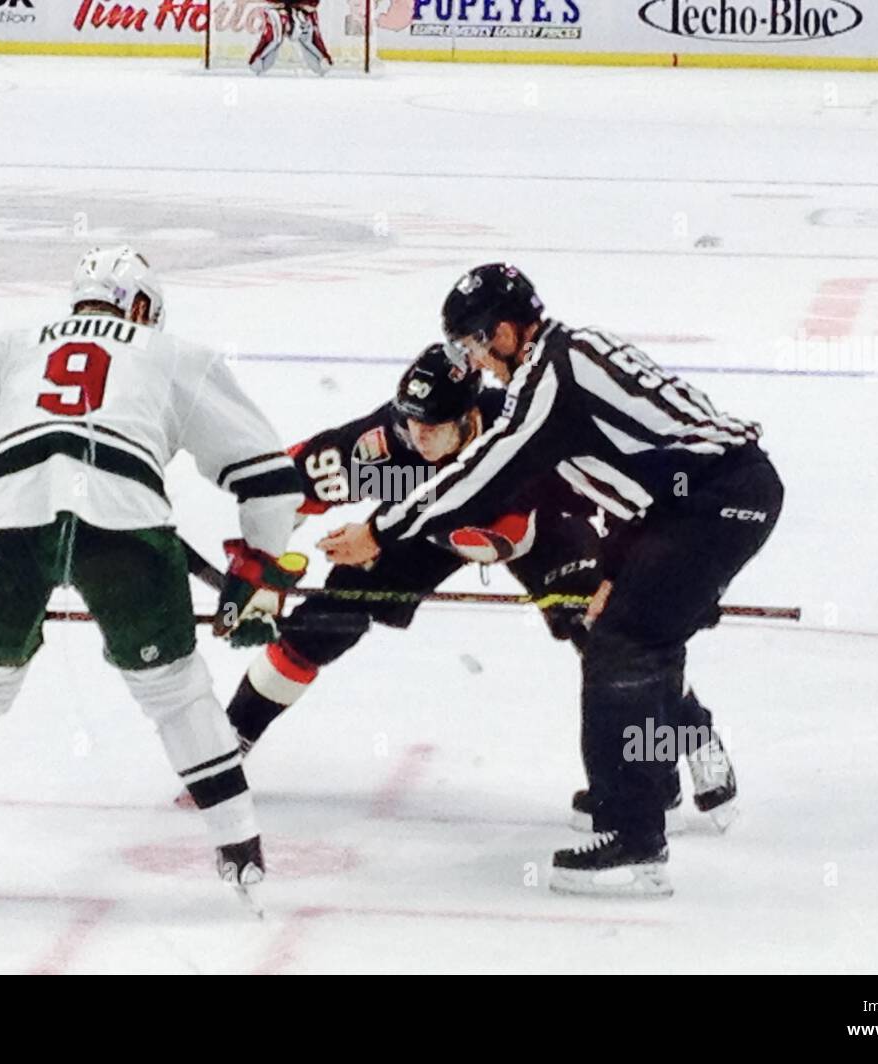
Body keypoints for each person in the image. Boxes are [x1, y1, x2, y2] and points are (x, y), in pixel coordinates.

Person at [0, 245, 306, 909]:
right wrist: (261, 567)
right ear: (142, 307)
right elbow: (270, 482)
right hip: (124, 523)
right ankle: (240, 850)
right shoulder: (173, 354)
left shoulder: (5, 348)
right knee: (175, 693)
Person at [323, 265, 783, 896]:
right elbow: (641, 481)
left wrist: (382, 530)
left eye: (475, 344)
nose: (474, 361)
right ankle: (657, 784)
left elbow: (485, 472)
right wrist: (618, 570)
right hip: (708, 501)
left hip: (715, 504)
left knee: (625, 647)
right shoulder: (573, 352)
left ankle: (634, 842)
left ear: (507, 331)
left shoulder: (551, 379)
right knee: (621, 630)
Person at [218, 343, 738, 829]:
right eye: (411, 423)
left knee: (610, 633)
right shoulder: (383, 446)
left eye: (434, 427)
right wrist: (262, 571)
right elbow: (280, 489)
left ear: (471, 418)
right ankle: (232, 736)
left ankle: (688, 740)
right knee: (330, 618)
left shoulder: (529, 432)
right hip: (420, 526)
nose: (417, 438)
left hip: (541, 527)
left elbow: (626, 504)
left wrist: (661, 578)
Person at [249, 1, 333, 75]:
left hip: (301, 9)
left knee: (307, 38)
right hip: (281, 8)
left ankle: (322, 59)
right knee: (275, 38)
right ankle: (258, 59)